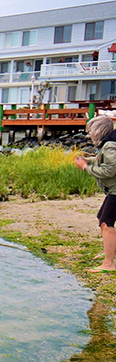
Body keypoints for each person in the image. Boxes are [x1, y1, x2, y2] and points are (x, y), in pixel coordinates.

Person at [74, 115, 116, 272]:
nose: (89, 134)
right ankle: (111, 252)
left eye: (90, 130)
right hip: (113, 190)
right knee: (102, 218)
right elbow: (102, 161)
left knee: (106, 223)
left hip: (115, 191)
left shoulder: (110, 145)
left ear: (98, 130)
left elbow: (109, 170)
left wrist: (86, 168)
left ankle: (109, 264)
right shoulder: (109, 143)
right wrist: (87, 160)